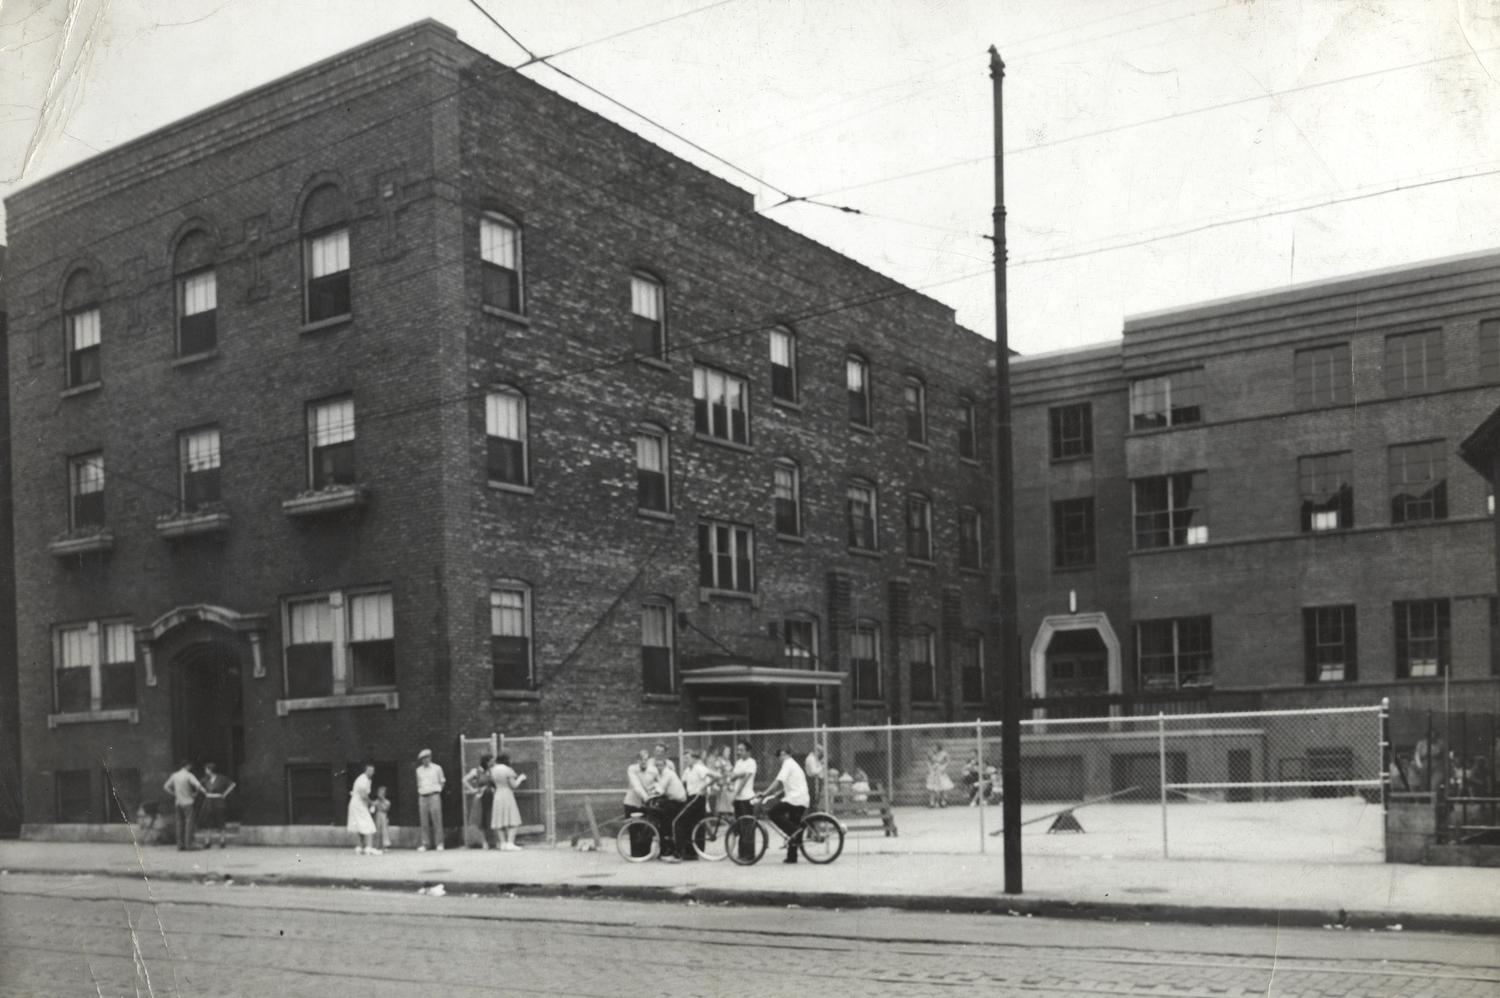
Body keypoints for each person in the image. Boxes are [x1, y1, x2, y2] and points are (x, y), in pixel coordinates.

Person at [756, 746, 811, 864]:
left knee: (773, 813)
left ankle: (795, 830)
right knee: (793, 824)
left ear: (788, 754)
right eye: (780, 756)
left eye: (782, 755)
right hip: (801, 799)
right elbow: (791, 784)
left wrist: (765, 793)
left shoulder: (788, 763)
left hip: (795, 799)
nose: (781, 758)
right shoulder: (794, 765)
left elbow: (778, 781)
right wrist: (777, 795)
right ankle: (792, 857)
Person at [650, 754, 688, 862]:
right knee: (663, 819)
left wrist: (650, 795)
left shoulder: (667, 773)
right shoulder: (663, 774)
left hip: (677, 802)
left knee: (667, 823)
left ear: (665, 765)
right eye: (656, 765)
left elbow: (660, 789)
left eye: (660, 765)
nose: (658, 767)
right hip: (672, 800)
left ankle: (670, 849)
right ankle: (666, 847)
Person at [676, 748, 712, 860]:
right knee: (693, 824)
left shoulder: (699, 768)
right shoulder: (687, 770)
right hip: (691, 797)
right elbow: (682, 783)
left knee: (679, 820)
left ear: (694, 759)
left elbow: (713, 777)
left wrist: (704, 788)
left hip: (698, 797)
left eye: (687, 758)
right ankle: (691, 852)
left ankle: (678, 853)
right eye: (684, 758)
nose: (685, 760)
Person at [163, 760, 204, 851]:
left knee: (179, 823)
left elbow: (166, 787)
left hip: (178, 803)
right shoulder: (189, 775)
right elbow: (199, 785)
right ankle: (189, 844)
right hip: (188, 802)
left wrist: (174, 794)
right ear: (187, 766)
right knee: (189, 823)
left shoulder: (175, 775)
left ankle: (180, 845)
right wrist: (195, 793)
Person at [622, 749, 656, 859]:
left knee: (647, 828)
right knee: (634, 829)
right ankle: (636, 855)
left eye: (645, 759)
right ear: (637, 760)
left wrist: (653, 795)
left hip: (646, 804)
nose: (643, 762)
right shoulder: (632, 769)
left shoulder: (653, 770)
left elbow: (657, 784)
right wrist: (645, 797)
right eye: (641, 759)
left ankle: (646, 854)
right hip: (632, 803)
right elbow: (636, 786)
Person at [728, 740, 758, 862]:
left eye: (741, 750)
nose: (739, 752)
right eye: (738, 750)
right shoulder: (739, 762)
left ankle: (749, 854)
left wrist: (735, 793)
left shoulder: (751, 762)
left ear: (748, 751)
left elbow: (745, 779)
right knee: (739, 826)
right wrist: (739, 774)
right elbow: (732, 777)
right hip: (738, 799)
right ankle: (741, 853)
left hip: (746, 798)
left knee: (748, 827)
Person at [489, 753, 526, 851]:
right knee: (513, 819)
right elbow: (514, 785)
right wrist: (520, 778)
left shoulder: (493, 770)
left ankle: (503, 843)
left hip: (498, 794)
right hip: (507, 794)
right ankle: (510, 842)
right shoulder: (508, 770)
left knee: (499, 819)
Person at [197, 761, 236, 848]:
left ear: (210, 770)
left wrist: (224, 794)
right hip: (208, 800)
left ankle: (222, 841)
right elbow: (198, 785)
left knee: (220, 819)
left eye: (206, 769)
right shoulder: (205, 779)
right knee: (207, 820)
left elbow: (232, 784)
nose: (205, 771)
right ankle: (207, 841)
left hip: (218, 800)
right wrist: (204, 792)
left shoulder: (222, 778)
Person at [414, 748, 446, 851]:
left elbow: (442, 781)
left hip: (434, 795)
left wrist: (439, 790)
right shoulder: (418, 770)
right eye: (423, 759)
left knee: (437, 819)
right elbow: (419, 783)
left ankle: (439, 843)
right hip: (423, 796)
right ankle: (425, 843)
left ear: (430, 757)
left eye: (426, 758)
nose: (425, 760)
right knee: (424, 821)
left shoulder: (437, 768)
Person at [347, 763, 381, 855]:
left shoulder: (367, 779)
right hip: (358, 805)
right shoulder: (363, 780)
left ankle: (360, 847)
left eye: (372, 771)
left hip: (357, 804)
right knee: (368, 824)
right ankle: (368, 848)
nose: (371, 772)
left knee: (359, 825)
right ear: (365, 770)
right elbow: (363, 796)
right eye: (369, 770)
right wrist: (372, 803)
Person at [463, 754, 494, 849]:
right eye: (491, 761)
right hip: (480, 797)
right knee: (481, 819)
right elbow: (464, 780)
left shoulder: (491, 771)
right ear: (486, 762)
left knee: (490, 818)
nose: (493, 763)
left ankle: (492, 840)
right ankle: (484, 841)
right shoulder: (476, 771)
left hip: (490, 797)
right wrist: (472, 790)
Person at [925, 742, 954, 808]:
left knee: (942, 787)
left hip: (941, 771)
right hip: (933, 771)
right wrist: (930, 768)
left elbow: (948, 761)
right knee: (931, 787)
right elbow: (928, 761)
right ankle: (932, 802)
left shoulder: (944, 753)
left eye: (935, 747)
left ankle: (943, 802)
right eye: (933, 747)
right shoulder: (930, 753)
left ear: (938, 747)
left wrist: (944, 767)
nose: (933, 748)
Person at [804, 746, 825, 811]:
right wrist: (822, 767)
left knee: (815, 799)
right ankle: (812, 812)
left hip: (815, 780)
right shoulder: (811, 758)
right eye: (820, 752)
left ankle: (813, 811)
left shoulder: (814, 759)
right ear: (817, 751)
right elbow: (813, 771)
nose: (821, 754)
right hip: (813, 780)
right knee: (814, 799)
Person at [373, 785, 393, 849]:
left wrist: (382, 801)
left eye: (382, 793)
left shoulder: (387, 802)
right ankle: (377, 845)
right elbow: (372, 809)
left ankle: (385, 845)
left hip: (384, 816)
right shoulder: (376, 802)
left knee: (384, 831)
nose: (380, 794)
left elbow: (385, 809)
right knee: (377, 830)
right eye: (379, 792)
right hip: (378, 816)